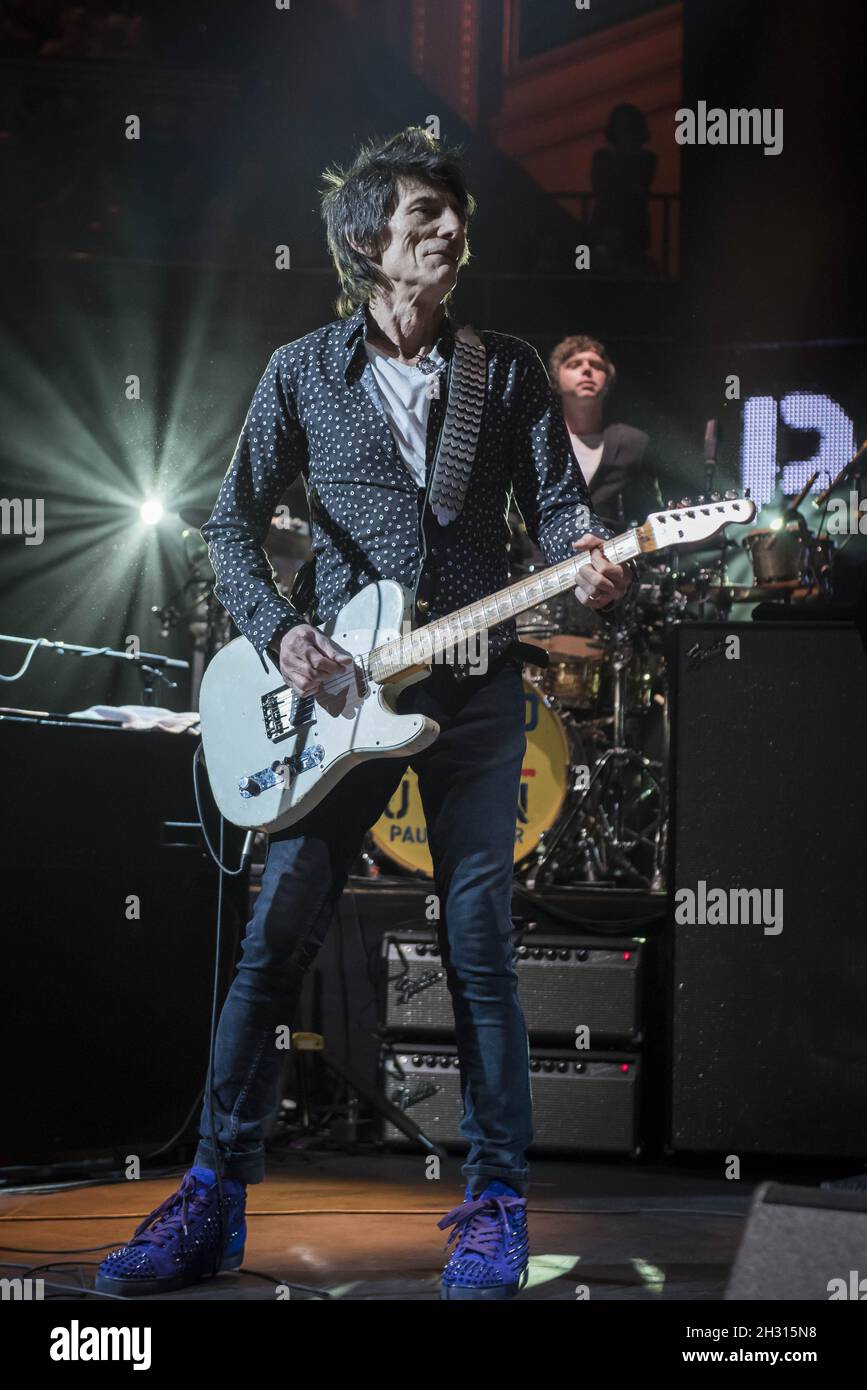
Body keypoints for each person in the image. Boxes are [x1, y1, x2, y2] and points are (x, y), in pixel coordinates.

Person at [96, 127, 632, 1301]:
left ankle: (494, 1207)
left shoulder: (508, 369)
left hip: (480, 681)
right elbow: (232, 529)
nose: (449, 228)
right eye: (423, 214)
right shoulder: (301, 372)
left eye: (455, 213)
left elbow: (555, 507)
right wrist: (281, 635)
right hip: (336, 705)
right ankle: (211, 1201)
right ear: (364, 241)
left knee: (480, 943)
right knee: (271, 943)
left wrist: (592, 555)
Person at [548, 333, 662, 533]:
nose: (587, 370)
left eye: (596, 366)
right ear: (556, 379)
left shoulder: (634, 443)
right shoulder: (536, 443)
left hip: (613, 557)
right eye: (575, 365)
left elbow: (651, 513)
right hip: (545, 561)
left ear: (608, 380)